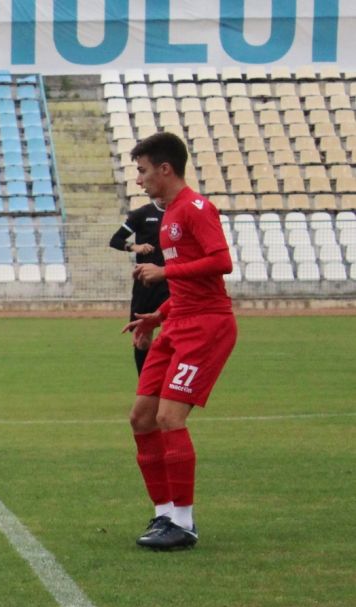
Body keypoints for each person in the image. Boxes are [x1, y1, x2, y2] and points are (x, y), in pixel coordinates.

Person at [122, 132, 237, 552]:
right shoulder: (170, 215)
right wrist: (157, 315)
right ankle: (165, 514)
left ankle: (184, 525)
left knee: (170, 418)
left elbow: (222, 262)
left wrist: (164, 274)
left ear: (164, 169)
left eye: (143, 170)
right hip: (177, 322)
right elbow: (191, 284)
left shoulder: (195, 209)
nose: (140, 179)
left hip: (206, 327)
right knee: (141, 419)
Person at [109, 200, 169, 373]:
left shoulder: (179, 213)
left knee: (176, 333)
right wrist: (135, 246)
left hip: (171, 282)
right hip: (146, 285)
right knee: (142, 338)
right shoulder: (141, 214)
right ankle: (145, 386)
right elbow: (115, 240)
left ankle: (169, 385)